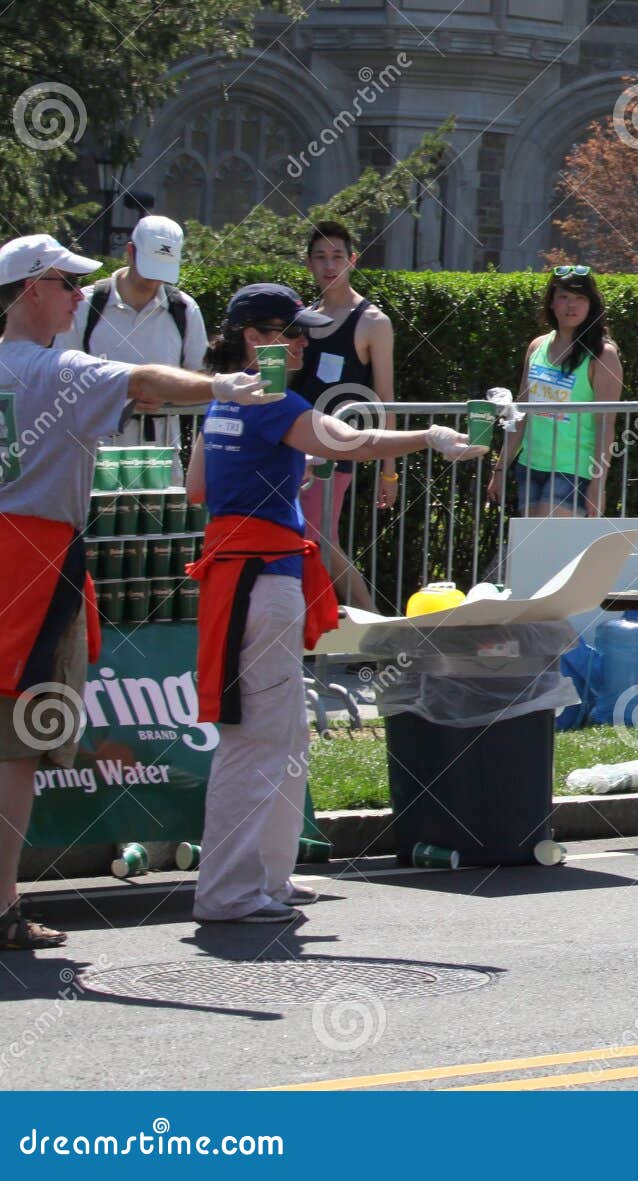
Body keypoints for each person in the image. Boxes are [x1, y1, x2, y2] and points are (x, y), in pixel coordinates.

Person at [0, 234, 274, 950]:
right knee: (15, 748)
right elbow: (145, 380)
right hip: (33, 561)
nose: (77, 296)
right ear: (32, 288)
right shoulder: (54, 369)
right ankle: (1, 907)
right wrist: (219, 385)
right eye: (66, 283)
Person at [185, 283, 486, 924]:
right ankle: (230, 893)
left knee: (280, 735)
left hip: (246, 577)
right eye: (290, 332)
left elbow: (199, 488)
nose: (301, 342)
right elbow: (346, 442)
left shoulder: (224, 400)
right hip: (262, 579)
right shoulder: (270, 397)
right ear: (254, 337)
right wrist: (428, 437)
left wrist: (282, 472)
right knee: (257, 741)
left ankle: (267, 882)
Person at [289, 221, 397, 611]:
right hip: (292, 451)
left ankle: (369, 628)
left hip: (335, 452)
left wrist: (390, 472)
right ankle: (316, 631)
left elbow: (386, 398)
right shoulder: (300, 317)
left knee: (318, 537)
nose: (329, 265)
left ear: (352, 260)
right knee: (302, 539)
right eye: (320, 257)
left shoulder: (373, 321)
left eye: (337, 256)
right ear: (308, 263)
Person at [52, 215, 209, 447]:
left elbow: (202, 381)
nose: (154, 279)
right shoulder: (85, 305)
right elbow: (61, 377)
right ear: (130, 251)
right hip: (94, 449)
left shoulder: (184, 309)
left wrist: (167, 396)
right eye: (150, 267)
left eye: (162, 269)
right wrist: (119, 394)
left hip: (160, 452)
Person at [490, 266, 622, 519]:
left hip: (573, 469)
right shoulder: (537, 347)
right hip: (530, 465)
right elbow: (520, 414)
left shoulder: (603, 355)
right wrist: (499, 468)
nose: (571, 306)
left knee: (550, 547)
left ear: (591, 304)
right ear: (551, 302)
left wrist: (598, 485)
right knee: (534, 549)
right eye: (564, 297)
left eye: (580, 298)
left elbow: (606, 424)